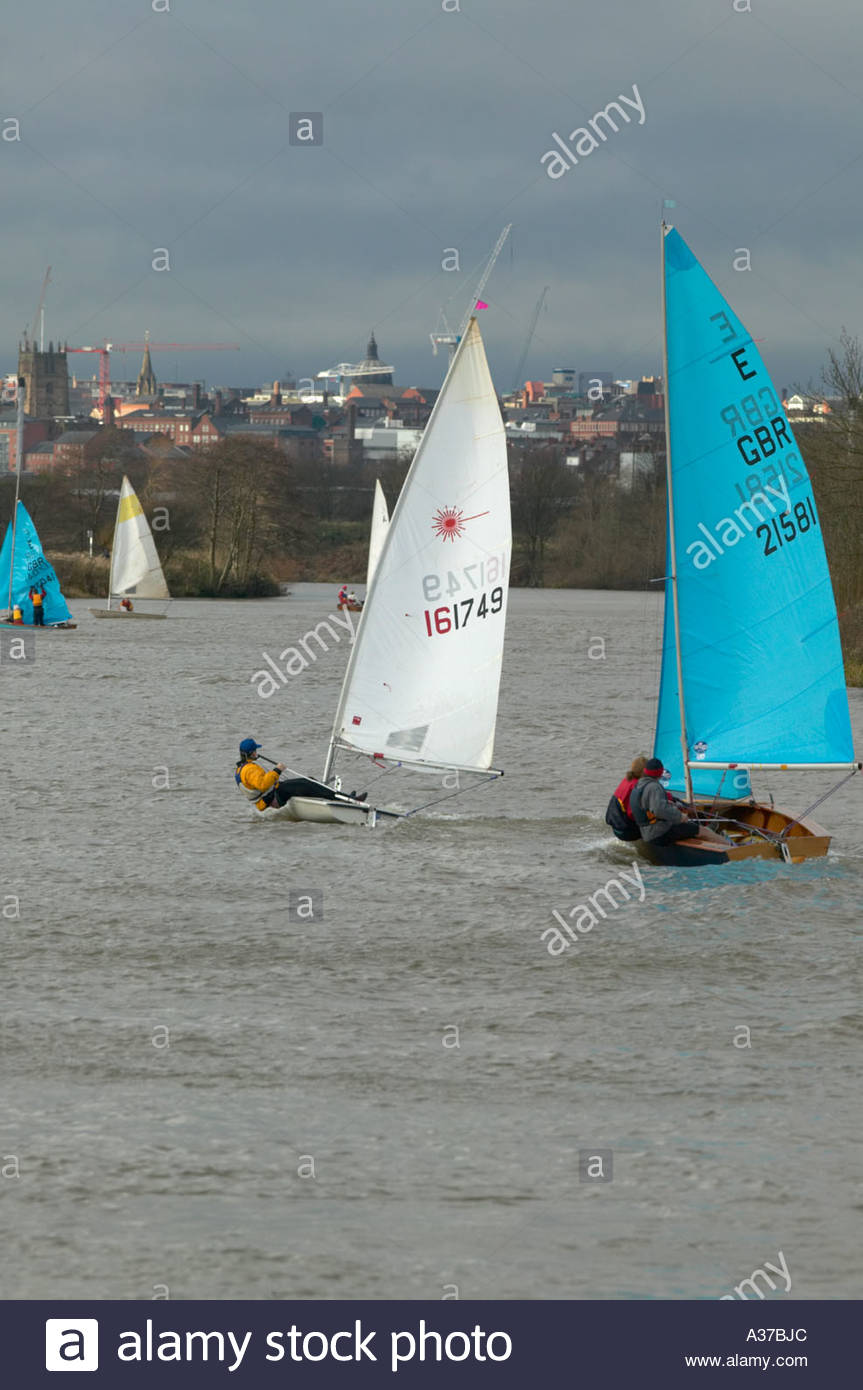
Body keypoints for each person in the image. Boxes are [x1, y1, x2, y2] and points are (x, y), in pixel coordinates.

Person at [235, 738, 366, 810]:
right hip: (273, 797)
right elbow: (263, 785)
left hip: (274, 793)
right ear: (251, 753)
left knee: (310, 781)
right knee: (308, 784)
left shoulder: (242, 768)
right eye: (256, 751)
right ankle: (349, 801)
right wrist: (277, 770)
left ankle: (344, 798)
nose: (257, 753)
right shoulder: (250, 769)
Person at [630, 758, 729, 846]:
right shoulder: (654, 787)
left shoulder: (638, 785)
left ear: (645, 771)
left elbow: (649, 807)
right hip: (659, 833)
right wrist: (680, 816)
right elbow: (658, 810)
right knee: (703, 831)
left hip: (647, 833)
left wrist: (670, 805)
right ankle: (731, 847)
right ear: (660, 773)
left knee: (690, 828)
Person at [605, 754, 648, 840]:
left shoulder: (627, 780)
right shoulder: (637, 787)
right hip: (626, 832)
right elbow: (633, 813)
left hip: (616, 827)